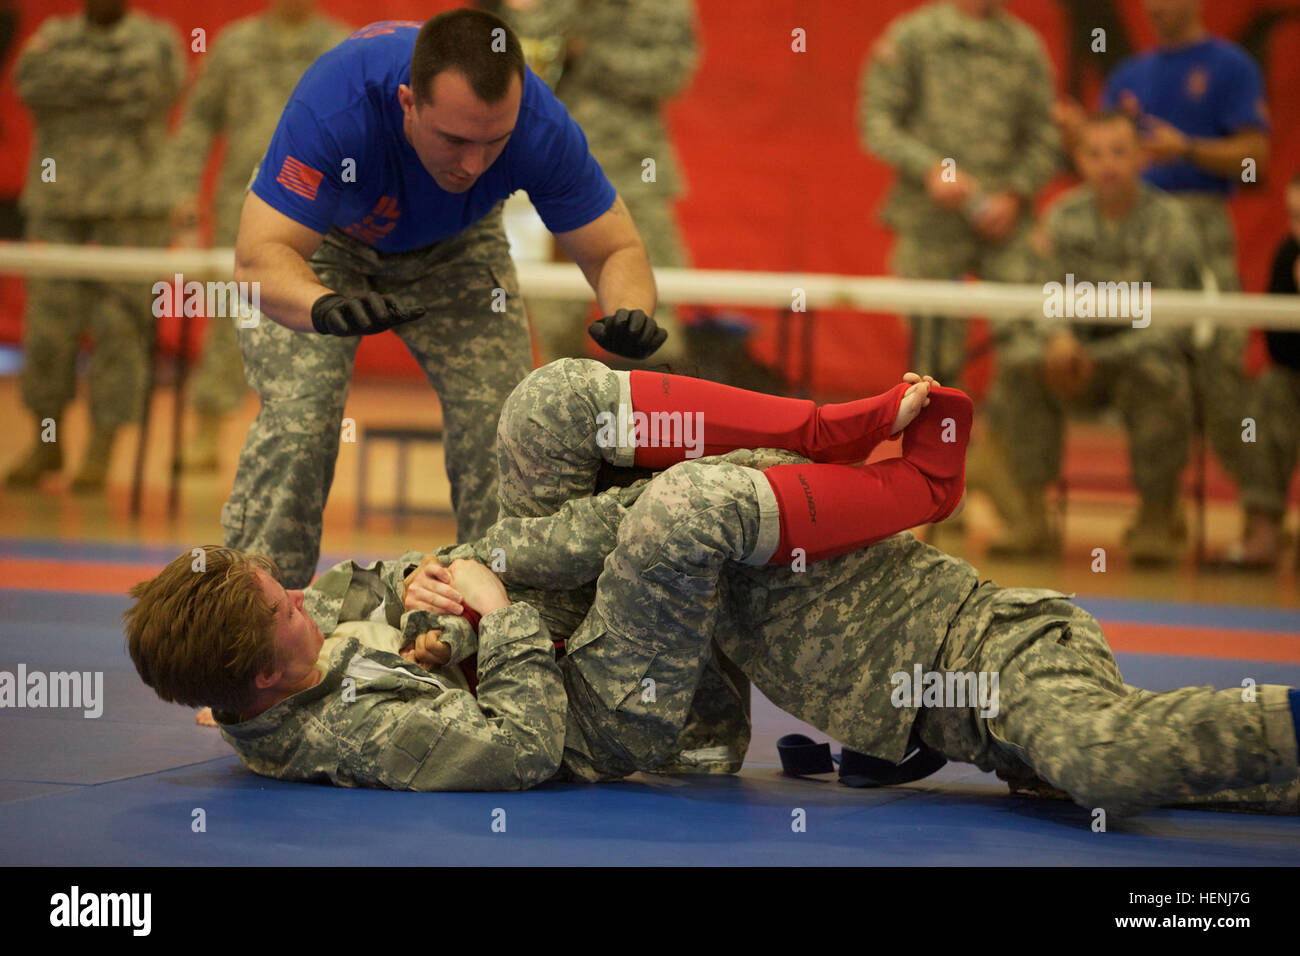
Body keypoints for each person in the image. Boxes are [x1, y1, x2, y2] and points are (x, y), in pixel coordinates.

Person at [130, 360, 1299, 816]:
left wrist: (437, 587)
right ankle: (911, 478)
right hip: (602, 698)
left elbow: (369, 590)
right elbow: (522, 744)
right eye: (283, 610)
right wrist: (502, 613)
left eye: (281, 585)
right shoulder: (346, 726)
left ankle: (831, 429)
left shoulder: (275, 660)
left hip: (885, 646)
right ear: (261, 675)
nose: (302, 593)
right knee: (681, 509)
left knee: (547, 406)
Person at [224, 10, 669, 589]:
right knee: (300, 424)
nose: (472, 164)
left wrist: (629, 309)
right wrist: (319, 304)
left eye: (494, 143)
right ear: (408, 103)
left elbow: (615, 250)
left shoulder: (538, 124)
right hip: (322, 245)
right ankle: (259, 611)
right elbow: (259, 258)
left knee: (507, 428)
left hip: (457, 245)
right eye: (454, 139)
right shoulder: (337, 105)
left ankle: (501, 611)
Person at [983, 111, 1204, 564]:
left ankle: (1157, 515)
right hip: (1071, 361)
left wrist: (1102, 354)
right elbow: (1040, 293)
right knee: (1021, 365)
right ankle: (1030, 514)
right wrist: (1058, 340)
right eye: (1095, 153)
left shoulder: (1171, 223)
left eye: (1120, 152)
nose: (1108, 164)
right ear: (1079, 160)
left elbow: (1177, 320)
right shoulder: (1062, 218)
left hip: (1136, 358)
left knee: (1160, 376)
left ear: (1141, 157)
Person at [163, 0, 350, 470]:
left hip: (320, 211)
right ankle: (207, 433)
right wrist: (182, 190)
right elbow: (198, 119)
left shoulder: (340, 48)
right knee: (233, 320)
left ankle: (299, 446)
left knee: (311, 324)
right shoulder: (236, 45)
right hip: (242, 208)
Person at [5, 0, 183, 491]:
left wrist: (73, 81)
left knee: (119, 332)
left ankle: (100, 453)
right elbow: (31, 85)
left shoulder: (156, 41)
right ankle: (47, 443)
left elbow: (152, 91)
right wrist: (109, 79)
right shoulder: (54, 34)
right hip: (58, 204)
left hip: (133, 209)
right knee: (48, 330)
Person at [1094, 0, 1271, 488]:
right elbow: (1103, 151)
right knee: (1150, 365)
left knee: (1221, 369)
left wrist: (1187, 149)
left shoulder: (1229, 65)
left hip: (1200, 228)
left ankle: (1260, 504)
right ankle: (1158, 506)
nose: (1156, 8)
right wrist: (1078, 137)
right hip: (1135, 231)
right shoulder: (1130, 73)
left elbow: (1256, 158)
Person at [859, 0, 1060, 389]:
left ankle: (1009, 428)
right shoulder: (914, 36)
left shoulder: (1024, 47)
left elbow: (1046, 135)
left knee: (1030, 345)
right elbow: (876, 119)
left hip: (1006, 223)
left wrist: (1014, 194)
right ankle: (941, 431)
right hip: (930, 219)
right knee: (932, 362)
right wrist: (931, 168)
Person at [499, 0, 699, 366]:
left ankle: (654, 398)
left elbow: (672, 72)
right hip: (554, 171)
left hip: (634, 172)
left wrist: (589, 53)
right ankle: (563, 398)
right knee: (552, 313)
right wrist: (517, 14)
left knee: (651, 316)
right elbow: (512, 55)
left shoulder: (660, 5)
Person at [1220, 171, 1300, 570]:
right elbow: (1278, 347)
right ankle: (1264, 528)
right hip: (1293, 376)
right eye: (1295, 216)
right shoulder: (1288, 256)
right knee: (1265, 394)